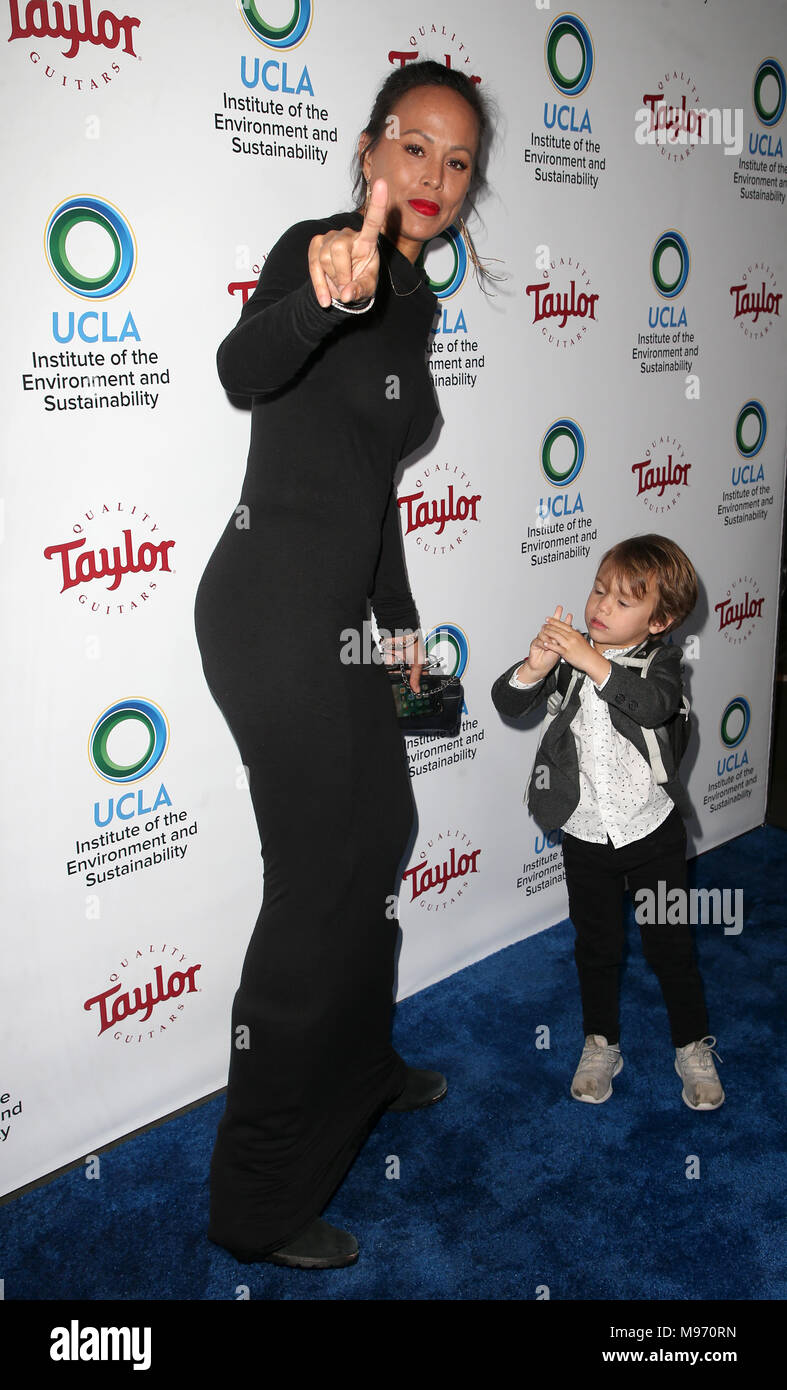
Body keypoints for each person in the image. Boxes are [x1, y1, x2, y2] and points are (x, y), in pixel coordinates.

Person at [194, 61, 497, 1269]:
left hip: (344, 612)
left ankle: (365, 1066)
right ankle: (255, 1201)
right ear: (372, 152)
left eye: (458, 162)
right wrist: (323, 296)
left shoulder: (418, 304)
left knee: (383, 835)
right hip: (268, 609)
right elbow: (240, 368)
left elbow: (373, 494)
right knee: (318, 887)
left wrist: (406, 644)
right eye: (413, 148)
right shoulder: (321, 250)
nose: (433, 177)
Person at [490, 535, 725, 1111]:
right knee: (596, 947)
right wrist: (533, 666)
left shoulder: (662, 663)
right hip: (586, 835)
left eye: (623, 602)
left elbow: (651, 706)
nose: (601, 607)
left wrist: (589, 659)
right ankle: (601, 1044)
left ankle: (692, 1046)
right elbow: (508, 703)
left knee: (669, 946)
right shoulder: (570, 661)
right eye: (599, 590)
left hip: (653, 835)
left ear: (660, 619)